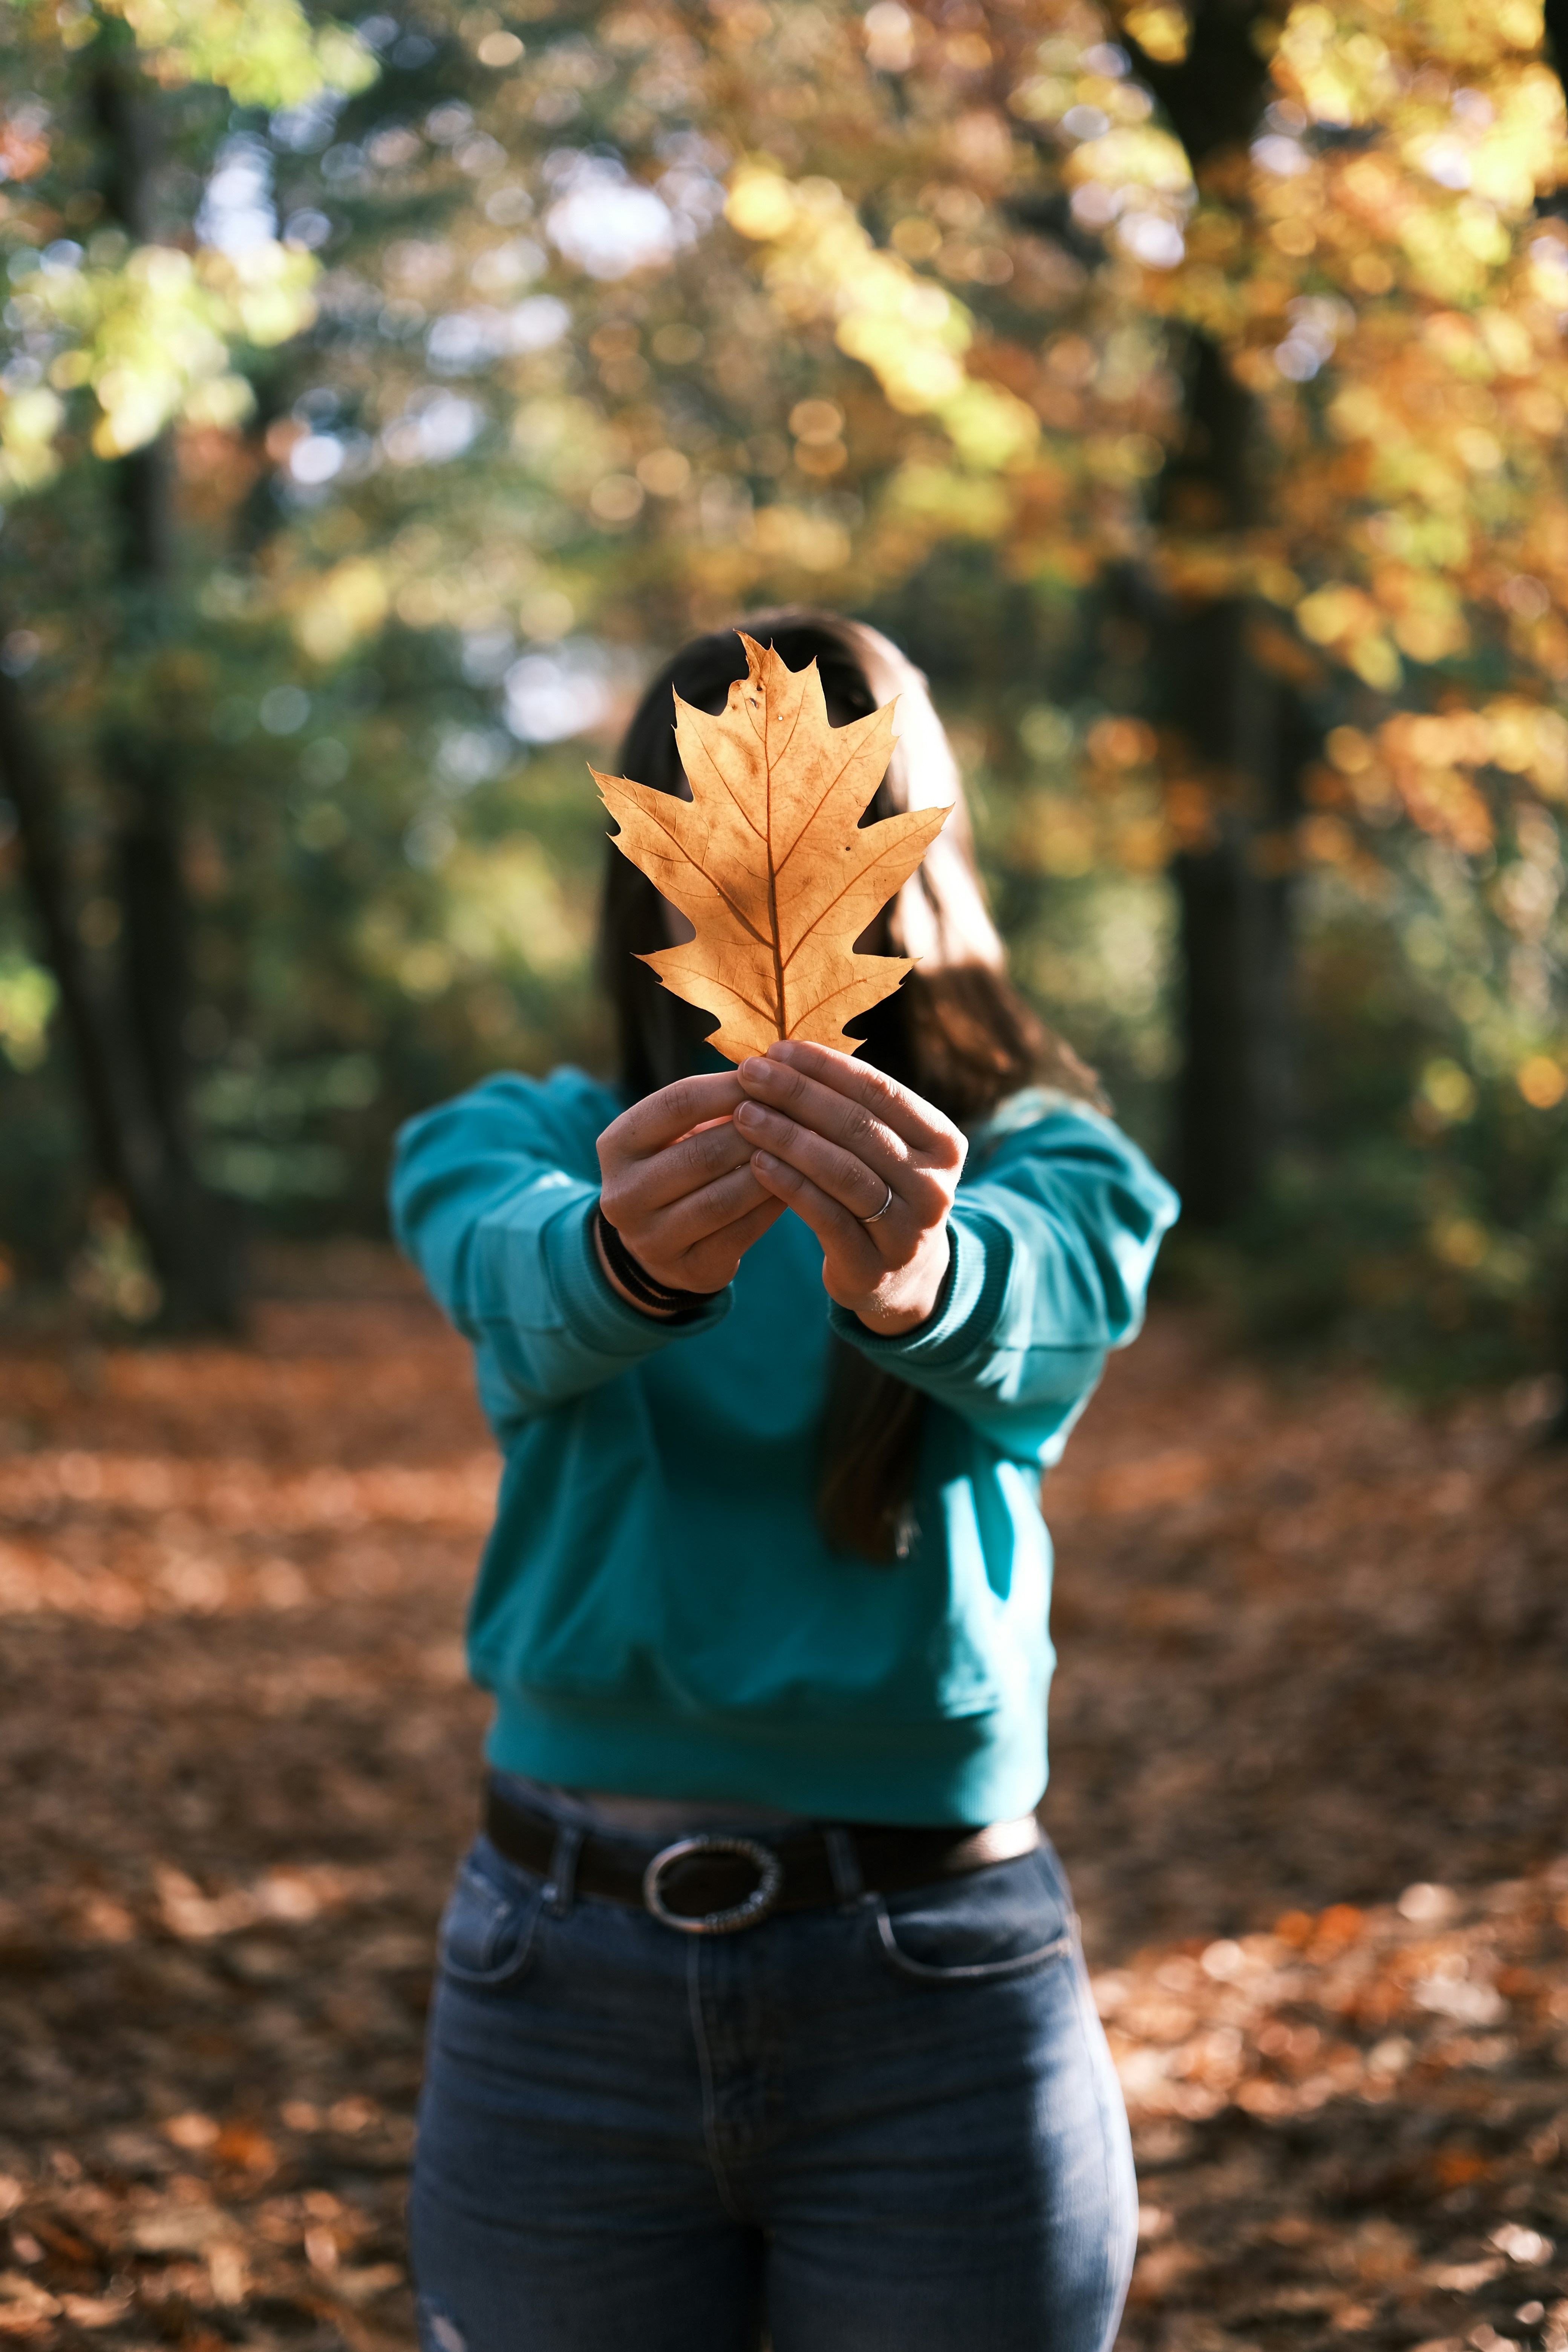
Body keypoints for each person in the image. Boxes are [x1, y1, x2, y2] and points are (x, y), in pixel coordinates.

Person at [390, 609, 1179, 2352]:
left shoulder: (1048, 1156)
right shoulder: (519, 1137)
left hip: (938, 1982)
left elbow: (1037, 1313)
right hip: (557, 1982)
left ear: (913, 846)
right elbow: (509, 1275)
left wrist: (917, 1275)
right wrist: (626, 1259)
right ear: (639, 867)